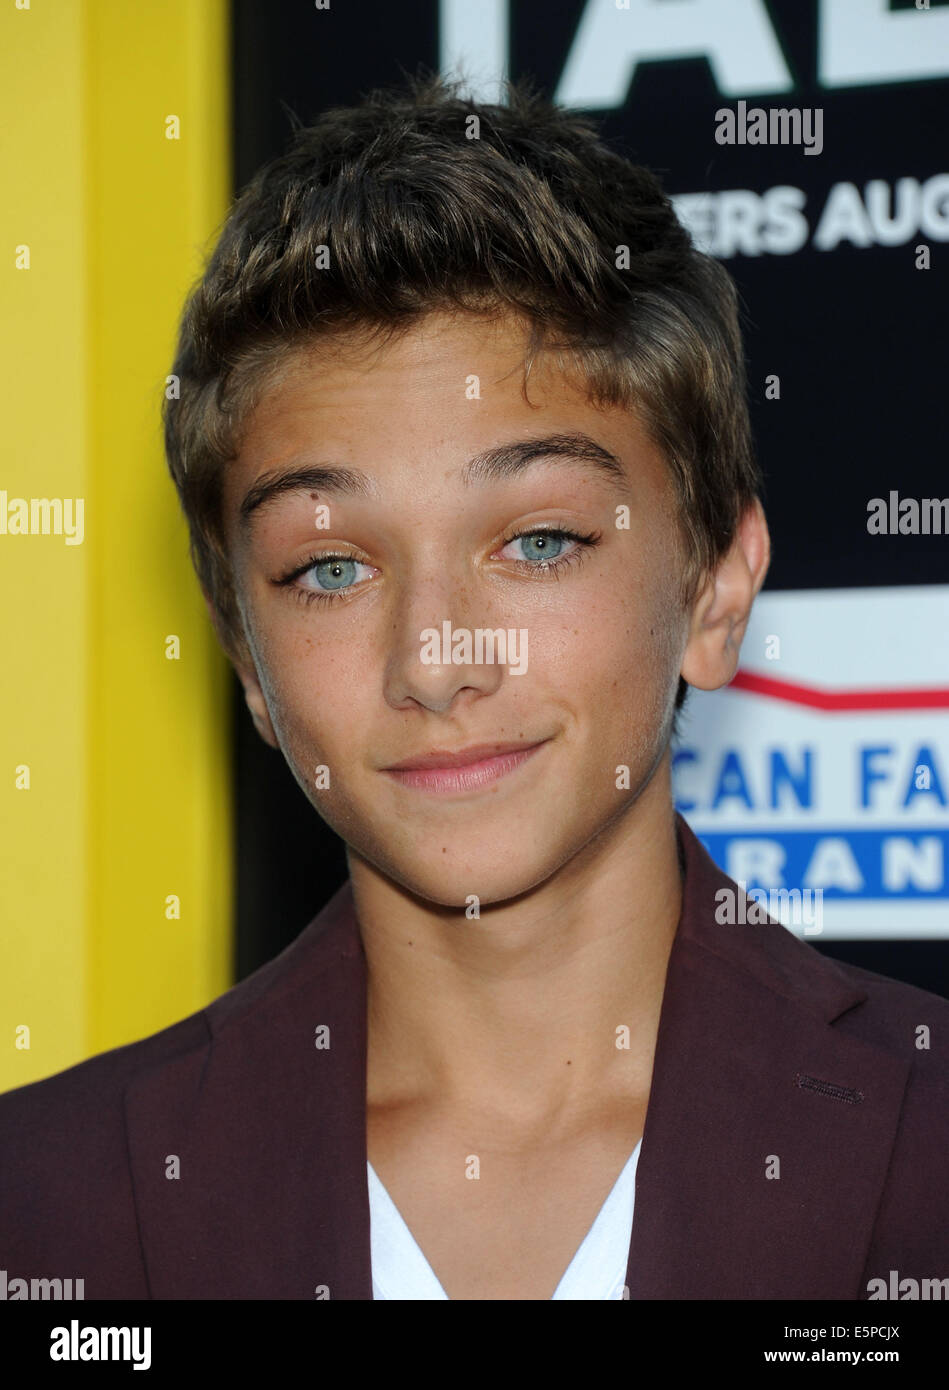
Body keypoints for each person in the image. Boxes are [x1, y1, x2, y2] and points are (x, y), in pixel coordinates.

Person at [1, 72, 947, 1302]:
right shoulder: (47, 1204)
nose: (435, 662)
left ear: (716, 584)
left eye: (537, 540)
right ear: (246, 655)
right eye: (330, 566)